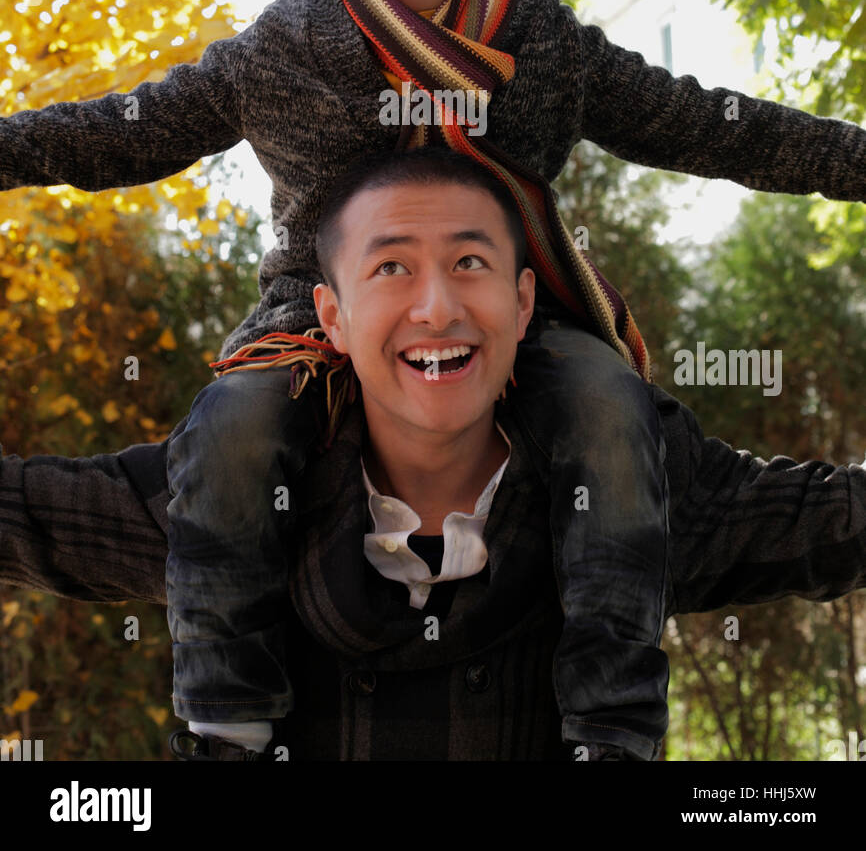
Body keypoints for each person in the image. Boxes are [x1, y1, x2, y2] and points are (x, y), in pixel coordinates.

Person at [1, 0, 865, 761]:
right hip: (311, 320)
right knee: (231, 442)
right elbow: (124, 130)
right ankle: (226, 724)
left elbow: (715, 130)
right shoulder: (276, 49)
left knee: (610, 416)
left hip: (512, 311)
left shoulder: (546, 45)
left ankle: (612, 728)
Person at [3, 149, 866, 762]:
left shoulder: (632, 488)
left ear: (525, 302)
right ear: (329, 319)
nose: (436, 307)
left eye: (469, 262)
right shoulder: (228, 499)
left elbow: (836, 521)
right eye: (389, 270)